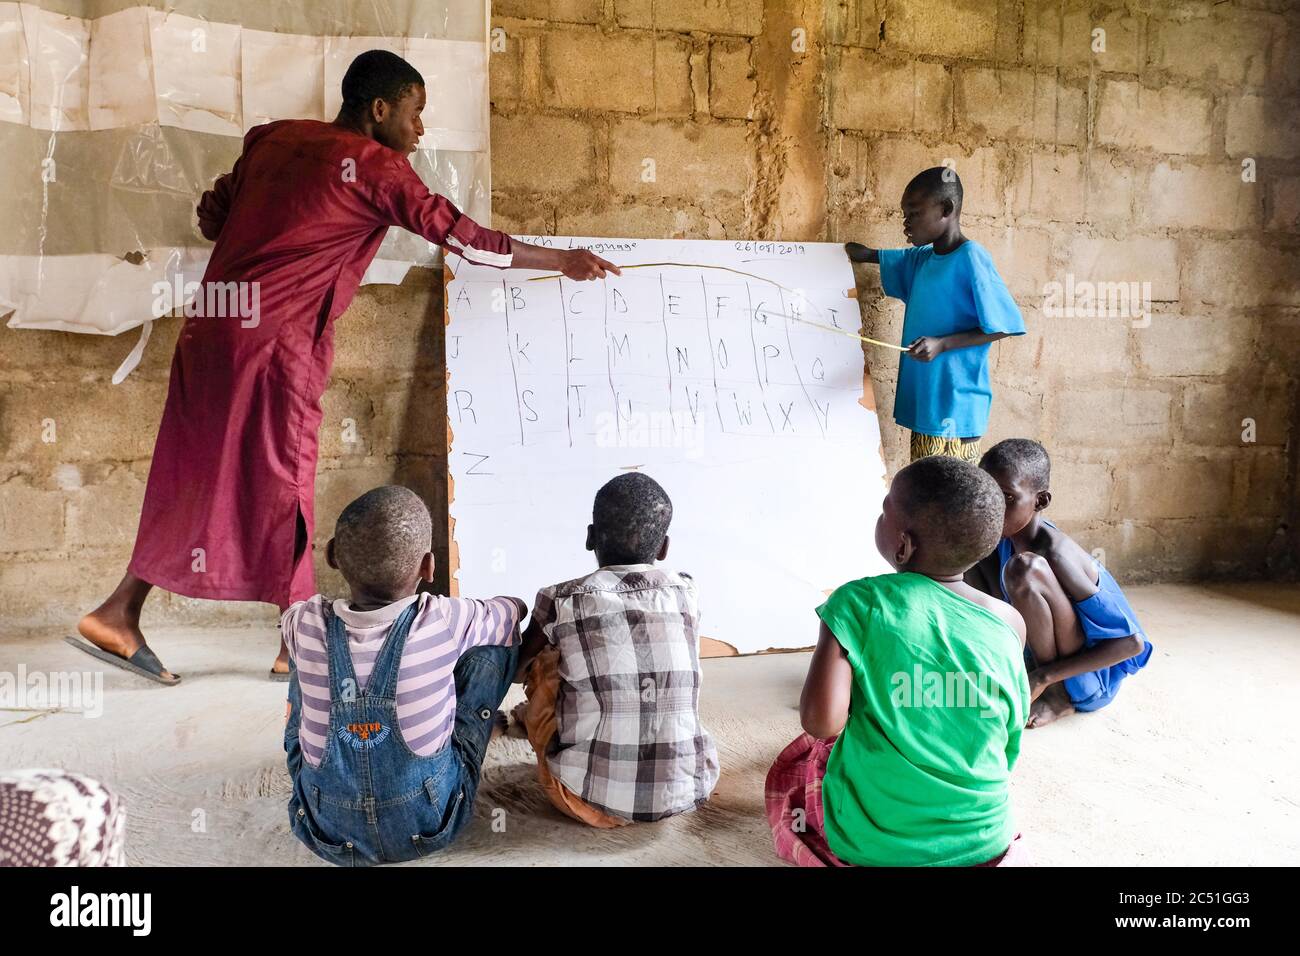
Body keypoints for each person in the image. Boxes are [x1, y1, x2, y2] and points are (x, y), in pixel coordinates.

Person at [72, 50, 619, 685]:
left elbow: (213, 213)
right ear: (379, 109)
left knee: (190, 472)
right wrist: (560, 261)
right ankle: (297, 642)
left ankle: (120, 611)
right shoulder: (380, 171)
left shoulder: (273, 139)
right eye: (415, 115)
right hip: (277, 346)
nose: (420, 132)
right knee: (287, 476)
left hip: (211, 332)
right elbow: (466, 239)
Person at [766, 456, 1031, 866]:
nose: (880, 516)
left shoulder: (856, 603)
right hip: (982, 840)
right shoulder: (1009, 622)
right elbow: (1009, 737)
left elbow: (822, 723)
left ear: (903, 545)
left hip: (873, 845)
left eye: (884, 510)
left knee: (806, 759)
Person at [282, 485, 523, 866]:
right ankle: (474, 727)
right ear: (428, 568)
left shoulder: (303, 620)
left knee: (304, 662)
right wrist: (512, 605)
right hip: (430, 824)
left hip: (326, 830)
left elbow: (292, 624)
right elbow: (511, 613)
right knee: (494, 646)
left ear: (331, 556)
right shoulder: (443, 618)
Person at [514, 473, 719, 826]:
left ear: (590, 537)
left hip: (584, 799)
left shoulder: (560, 598)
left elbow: (517, 669)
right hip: (689, 789)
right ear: (663, 548)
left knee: (547, 660)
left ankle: (539, 726)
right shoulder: (687, 591)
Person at [970, 439, 1154, 728]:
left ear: (1040, 501)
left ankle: (1058, 698)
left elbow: (1132, 644)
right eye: (987, 492)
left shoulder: (1055, 553)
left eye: (1006, 497)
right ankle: (1016, 668)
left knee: (1024, 570)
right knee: (972, 550)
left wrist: (1043, 679)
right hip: (1039, 655)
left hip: (1086, 680)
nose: (992, 506)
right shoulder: (1000, 536)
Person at [845, 167, 1024, 463]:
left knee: (948, 497)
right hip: (930, 404)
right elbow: (892, 257)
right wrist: (863, 254)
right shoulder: (924, 257)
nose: (906, 224)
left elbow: (1004, 326)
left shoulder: (971, 257)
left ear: (946, 209)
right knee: (925, 492)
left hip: (954, 407)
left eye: (913, 214)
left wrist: (942, 343)